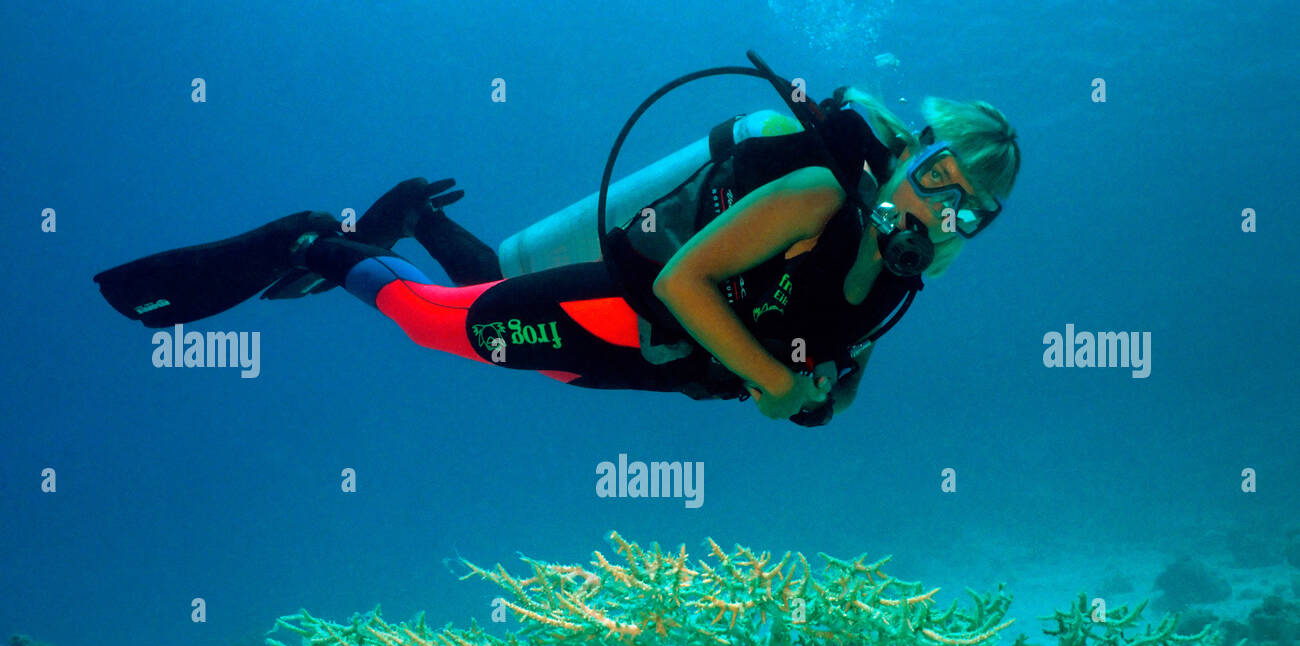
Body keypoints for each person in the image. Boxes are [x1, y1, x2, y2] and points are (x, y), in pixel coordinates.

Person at [94, 89, 1019, 427]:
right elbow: (680, 280)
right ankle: (310, 242)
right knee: (436, 324)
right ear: (913, 151)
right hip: (630, 312)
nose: (939, 210)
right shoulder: (820, 195)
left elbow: (838, 353)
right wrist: (777, 386)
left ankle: (413, 214)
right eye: (938, 176)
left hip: (647, 365)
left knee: (491, 279)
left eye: (967, 213)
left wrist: (823, 393)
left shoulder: (907, 271)